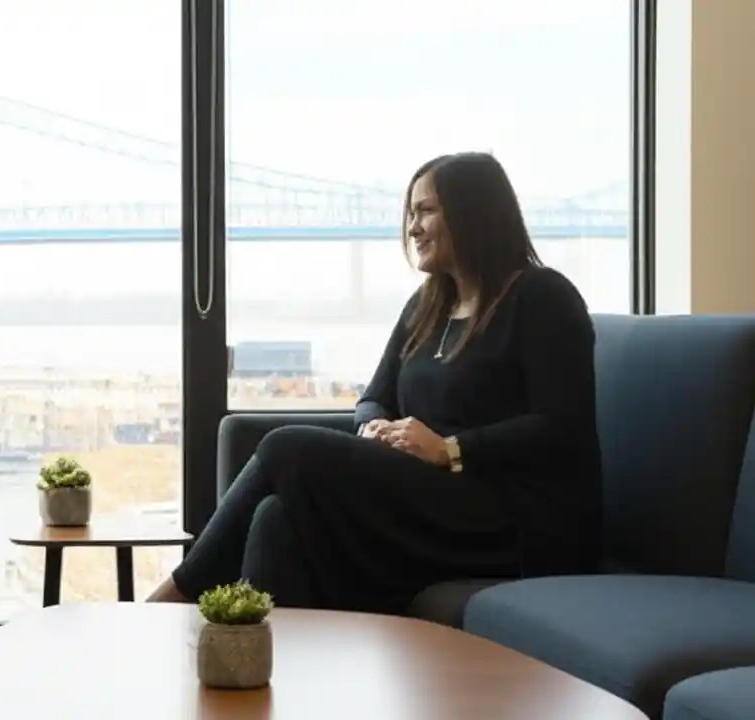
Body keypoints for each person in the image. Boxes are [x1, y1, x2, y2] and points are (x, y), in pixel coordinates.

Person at [147, 152, 603, 613]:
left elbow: (562, 424)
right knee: (274, 518)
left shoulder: (542, 297)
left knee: (283, 447)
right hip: (426, 500)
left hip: (506, 519)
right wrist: (375, 430)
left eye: (426, 211)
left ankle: (171, 603)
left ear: (473, 211)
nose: (413, 228)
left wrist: (450, 448)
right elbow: (372, 398)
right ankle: (247, 671)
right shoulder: (428, 305)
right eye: (411, 214)